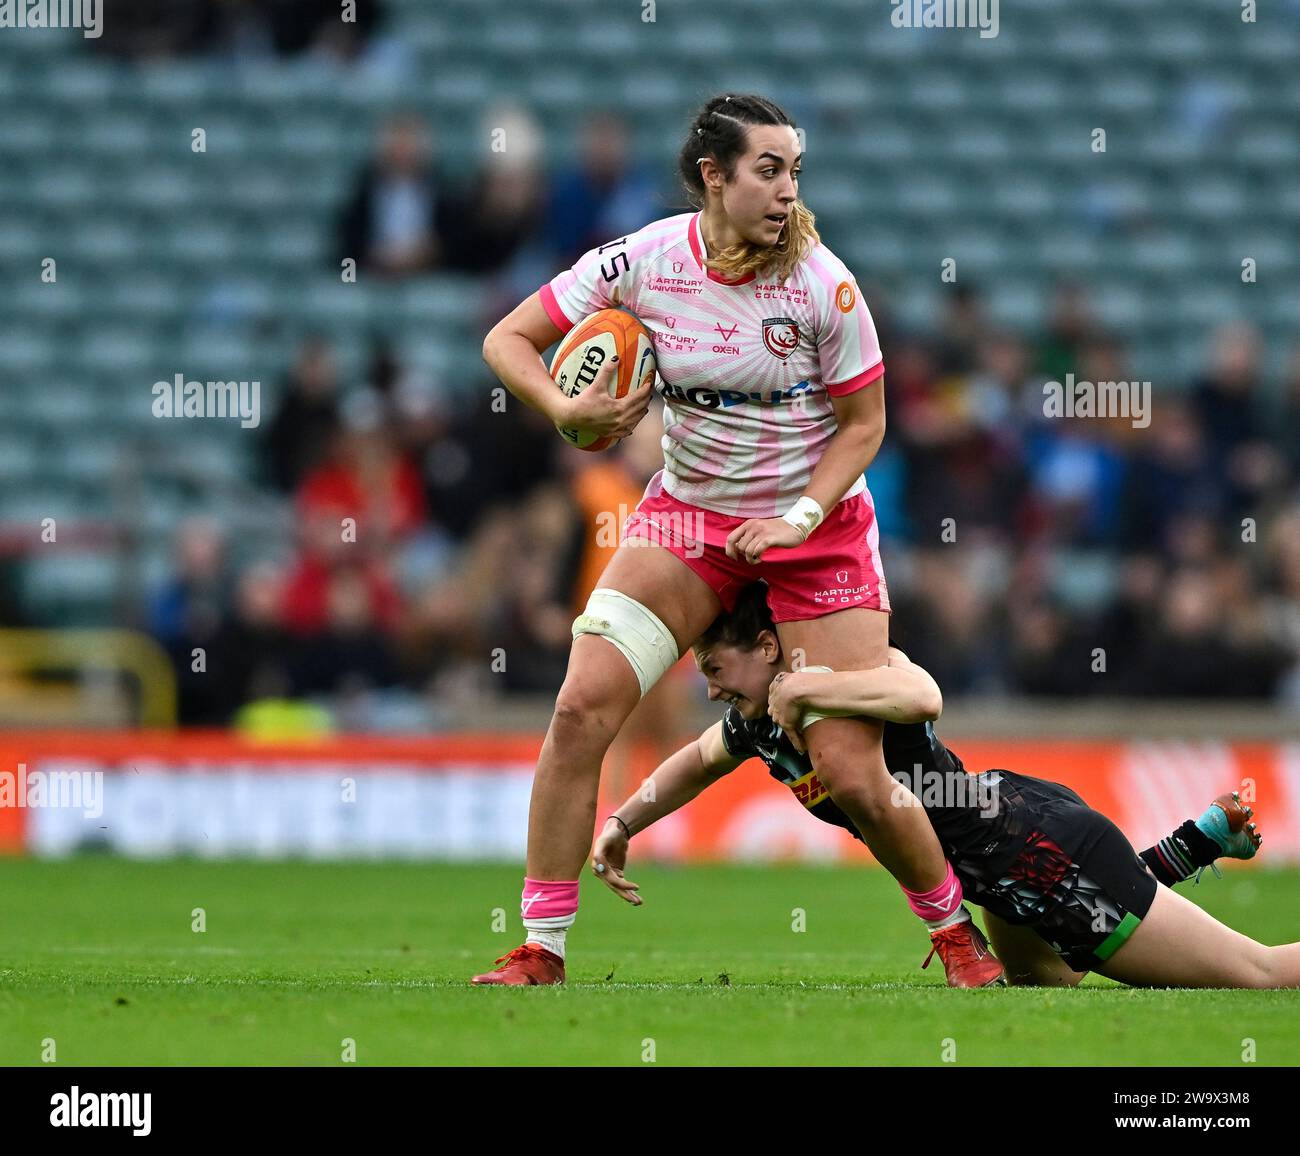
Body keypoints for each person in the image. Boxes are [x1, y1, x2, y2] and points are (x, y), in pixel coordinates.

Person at [475, 93, 979, 986]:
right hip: (690, 517)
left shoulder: (826, 284)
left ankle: (952, 934)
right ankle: (541, 950)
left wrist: (797, 518)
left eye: (795, 171)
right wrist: (563, 407)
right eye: (768, 169)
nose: (788, 190)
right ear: (714, 176)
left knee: (849, 769)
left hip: (817, 528)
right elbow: (508, 338)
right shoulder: (644, 261)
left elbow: (865, 427)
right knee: (579, 706)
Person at [582, 582, 1286, 990]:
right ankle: (1187, 848)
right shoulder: (757, 723)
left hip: (1038, 852)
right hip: (1000, 868)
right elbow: (694, 763)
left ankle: (1177, 857)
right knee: (1054, 987)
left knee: (1256, 976)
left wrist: (803, 693)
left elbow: (923, 693)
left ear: (767, 649)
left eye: (716, 667)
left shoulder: (837, 675)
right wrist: (622, 823)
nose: (707, 689)